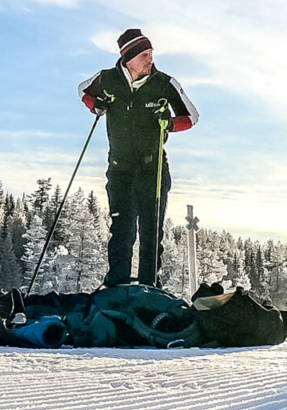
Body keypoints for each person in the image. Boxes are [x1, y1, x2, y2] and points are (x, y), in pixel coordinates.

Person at [79, 28, 200, 286]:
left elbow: (191, 117)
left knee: (150, 233)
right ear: (128, 57)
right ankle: (117, 287)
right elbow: (83, 91)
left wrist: (168, 123)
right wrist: (96, 105)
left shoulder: (165, 83)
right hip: (119, 169)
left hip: (152, 169)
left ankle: (148, 287)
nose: (150, 60)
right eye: (144, 55)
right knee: (121, 231)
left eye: (151, 54)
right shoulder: (107, 79)